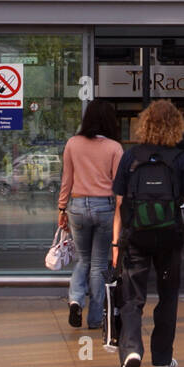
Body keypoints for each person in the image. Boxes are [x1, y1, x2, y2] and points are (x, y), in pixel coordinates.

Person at [111, 100, 184, 367]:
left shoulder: (130, 157)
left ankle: (131, 350)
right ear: (176, 127)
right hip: (169, 238)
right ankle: (162, 360)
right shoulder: (180, 159)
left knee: (132, 298)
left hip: (135, 237)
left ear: (144, 124)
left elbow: (119, 204)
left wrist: (115, 245)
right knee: (168, 297)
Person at [58, 99, 124, 331]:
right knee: (98, 265)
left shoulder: (73, 143)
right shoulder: (115, 148)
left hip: (76, 206)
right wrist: (120, 216)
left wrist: (61, 208)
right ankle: (95, 318)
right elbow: (119, 187)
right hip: (105, 207)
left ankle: (75, 299)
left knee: (83, 260)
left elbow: (67, 179)